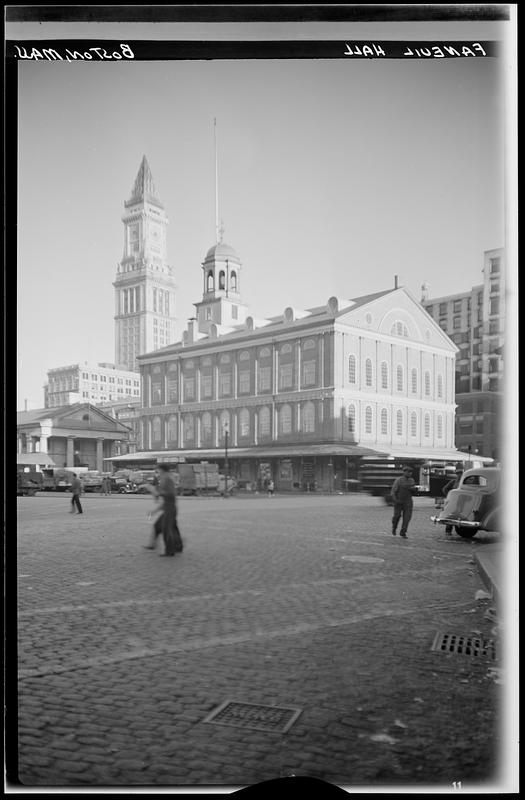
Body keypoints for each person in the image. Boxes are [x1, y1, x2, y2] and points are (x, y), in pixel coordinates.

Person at [155, 464, 183, 557]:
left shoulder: (167, 479)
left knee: (166, 529)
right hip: (169, 507)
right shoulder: (166, 478)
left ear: (162, 470)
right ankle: (178, 546)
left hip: (169, 508)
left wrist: (160, 493)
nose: (157, 472)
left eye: (158, 470)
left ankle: (170, 550)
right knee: (173, 528)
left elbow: (171, 493)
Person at [390, 466, 416, 538]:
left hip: (408, 501)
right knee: (397, 516)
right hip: (399, 501)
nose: (409, 473)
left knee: (407, 518)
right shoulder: (398, 480)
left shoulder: (412, 480)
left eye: (410, 472)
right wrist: (395, 500)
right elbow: (393, 492)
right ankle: (394, 527)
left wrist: (413, 489)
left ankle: (403, 532)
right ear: (404, 472)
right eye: (408, 472)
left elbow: (414, 492)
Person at [441, 467, 463, 534]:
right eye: (458, 473)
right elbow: (445, 489)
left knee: (461, 516)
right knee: (450, 515)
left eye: (460, 473)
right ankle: (448, 530)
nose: (459, 475)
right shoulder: (453, 481)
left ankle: (461, 530)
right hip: (453, 501)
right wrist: (449, 495)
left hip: (461, 501)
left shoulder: (465, 482)